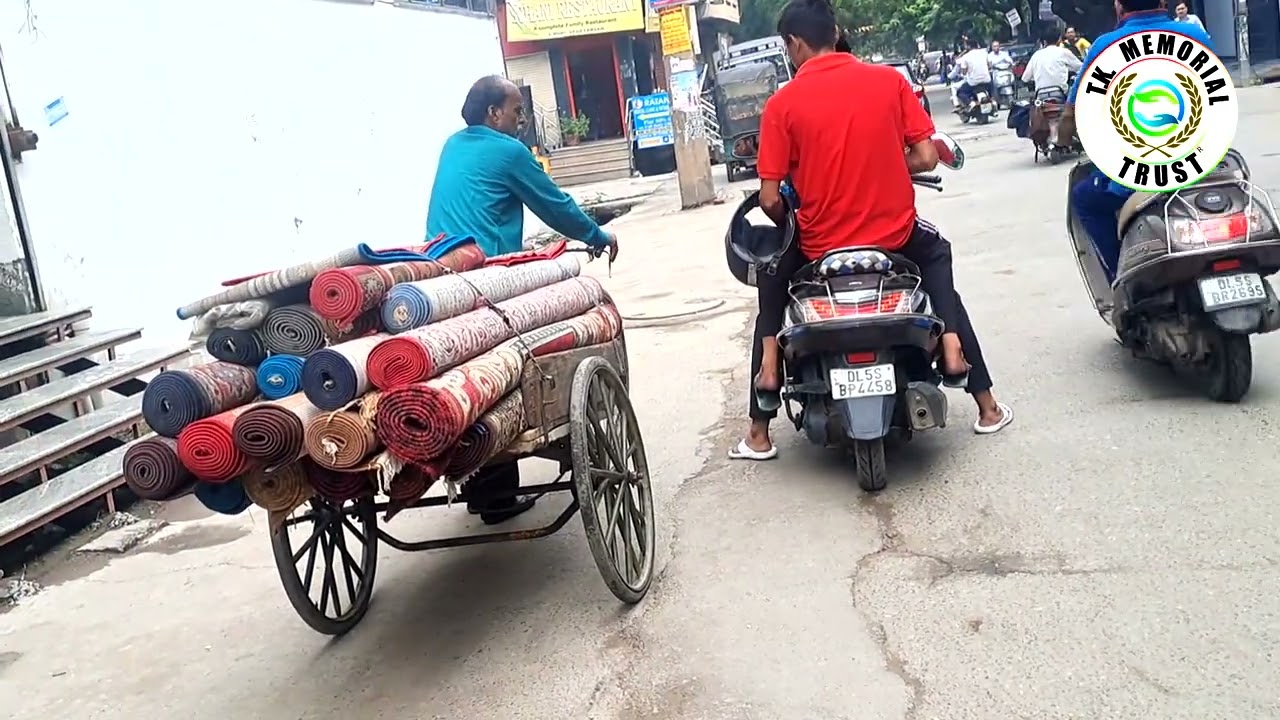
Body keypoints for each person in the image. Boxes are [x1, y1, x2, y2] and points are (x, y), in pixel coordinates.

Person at [731, 0, 1013, 460]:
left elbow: (767, 199)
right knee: (937, 259)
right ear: (835, 32)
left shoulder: (782, 104)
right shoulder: (889, 82)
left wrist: (789, 218)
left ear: (794, 44)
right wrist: (886, 163)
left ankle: (761, 416)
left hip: (820, 244)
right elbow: (927, 157)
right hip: (894, 237)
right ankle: (979, 393)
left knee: (772, 275)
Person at [426, 75, 619, 523]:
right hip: (486, 280)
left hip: (438, 279)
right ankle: (499, 486)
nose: (522, 118)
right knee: (513, 359)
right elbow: (554, 205)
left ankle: (485, 488)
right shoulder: (509, 152)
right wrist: (597, 235)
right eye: (516, 110)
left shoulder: (453, 145)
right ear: (493, 114)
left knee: (469, 366)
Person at [1059, 0, 1211, 281]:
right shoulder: (1195, 35)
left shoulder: (1104, 46)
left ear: (1118, 7)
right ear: (1163, 2)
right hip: (1201, 161)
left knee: (1085, 199)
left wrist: (1063, 137)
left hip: (1136, 175)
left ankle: (1122, 279)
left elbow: (1071, 112)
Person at [954, 38, 993, 108]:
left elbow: (964, 72)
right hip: (986, 81)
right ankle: (992, 99)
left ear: (968, 46)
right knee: (992, 87)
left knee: (960, 92)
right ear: (977, 45)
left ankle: (971, 103)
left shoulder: (965, 57)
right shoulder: (984, 53)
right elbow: (990, 65)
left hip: (973, 83)